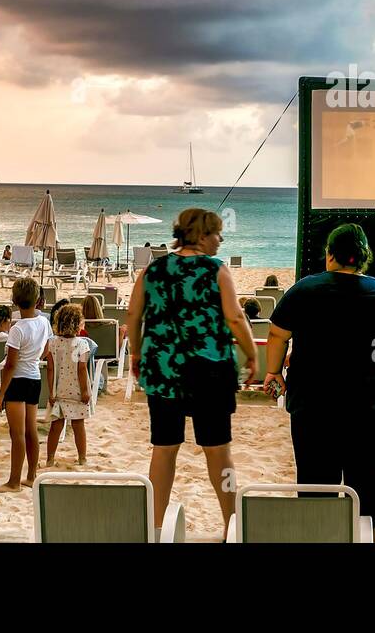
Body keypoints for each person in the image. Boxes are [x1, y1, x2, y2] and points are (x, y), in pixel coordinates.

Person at [263, 223, 375, 544]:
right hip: (371, 406)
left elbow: (278, 334)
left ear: (330, 255)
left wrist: (274, 372)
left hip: (312, 406)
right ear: (363, 258)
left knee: (316, 484)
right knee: (373, 482)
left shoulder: (304, 289)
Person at [127, 208, 257, 531]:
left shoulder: (152, 271)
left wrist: (135, 352)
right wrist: (251, 352)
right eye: (216, 233)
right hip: (209, 371)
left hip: (163, 369)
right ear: (200, 235)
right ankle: (232, 524)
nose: (221, 239)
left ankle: (155, 528)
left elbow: (133, 315)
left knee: (164, 448)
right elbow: (235, 317)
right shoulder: (216, 270)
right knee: (218, 452)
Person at [0, 277, 51, 491]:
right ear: (38, 300)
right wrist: (34, 359)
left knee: (16, 434)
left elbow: (10, 365)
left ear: (14, 301)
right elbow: (46, 349)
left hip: (17, 381)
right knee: (31, 431)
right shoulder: (44, 322)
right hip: (35, 379)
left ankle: (14, 482)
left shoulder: (17, 329)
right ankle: (31, 475)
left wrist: (1, 393)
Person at [46, 303, 93, 466]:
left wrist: (51, 392)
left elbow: (50, 369)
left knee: (56, 426)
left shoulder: (51, 343)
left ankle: (50, 458)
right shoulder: (82, 344)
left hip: (59, 390)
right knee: (78, 425)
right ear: (77, 325)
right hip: (76, 391)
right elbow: (82, 369)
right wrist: (86, 391)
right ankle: (82, 457)